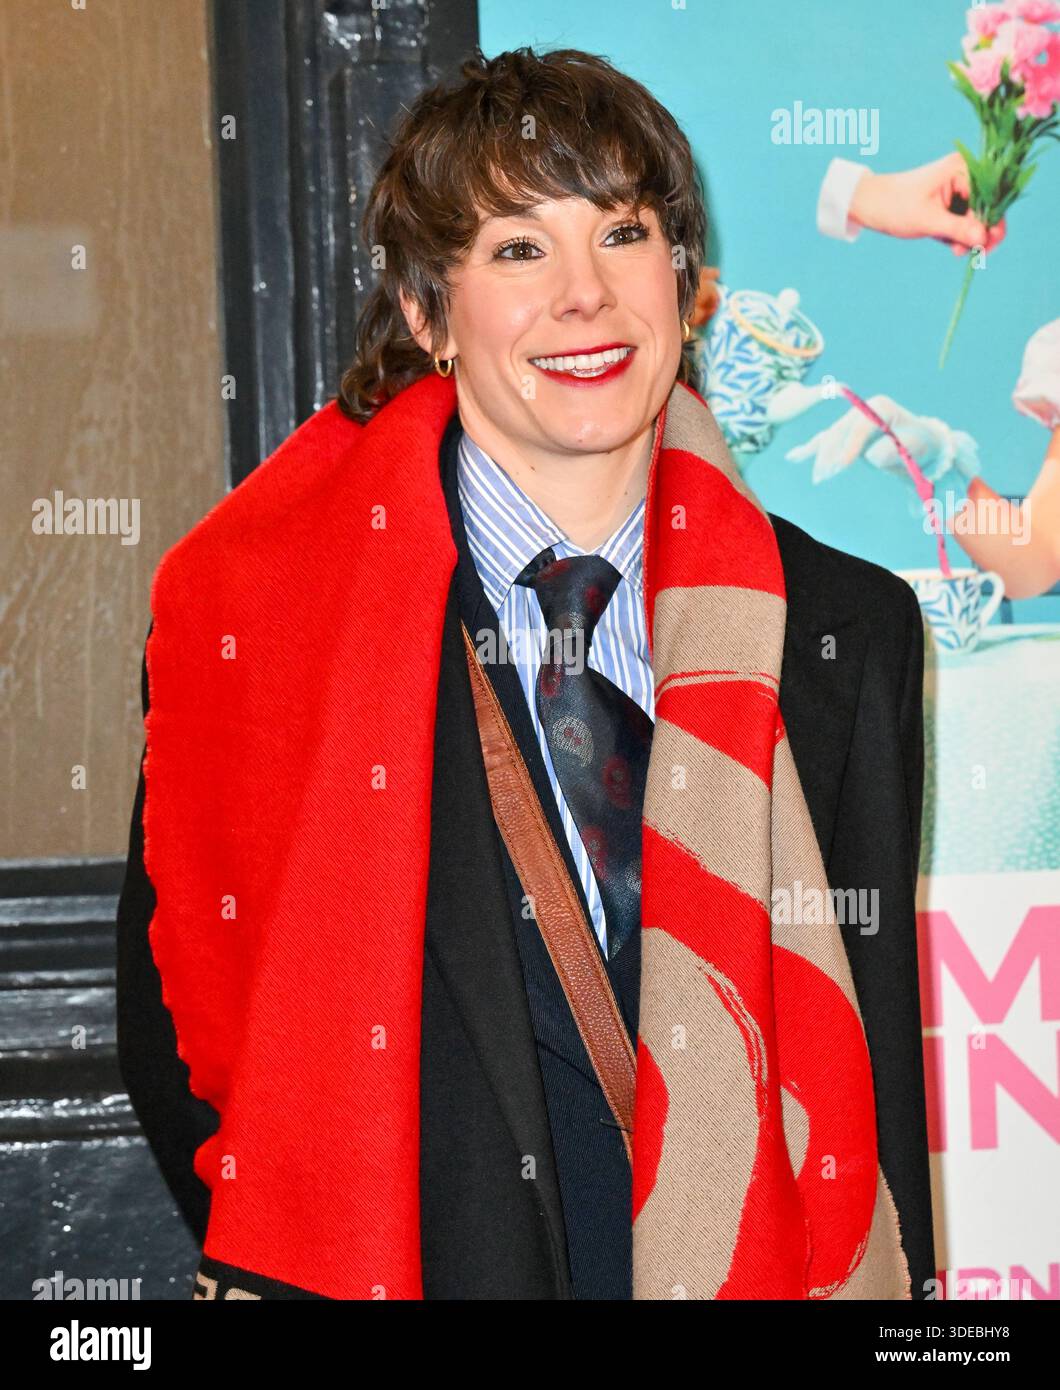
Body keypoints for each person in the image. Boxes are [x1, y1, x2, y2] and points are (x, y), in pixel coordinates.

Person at [116, 46, 933, 1301]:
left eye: (621, 233)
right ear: (426, 315)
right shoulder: (271, 618)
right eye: (516, 249)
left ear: (684, 280)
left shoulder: (845, 629)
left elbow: (870, 1053)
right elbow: (183, 1029)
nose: (584, 298)